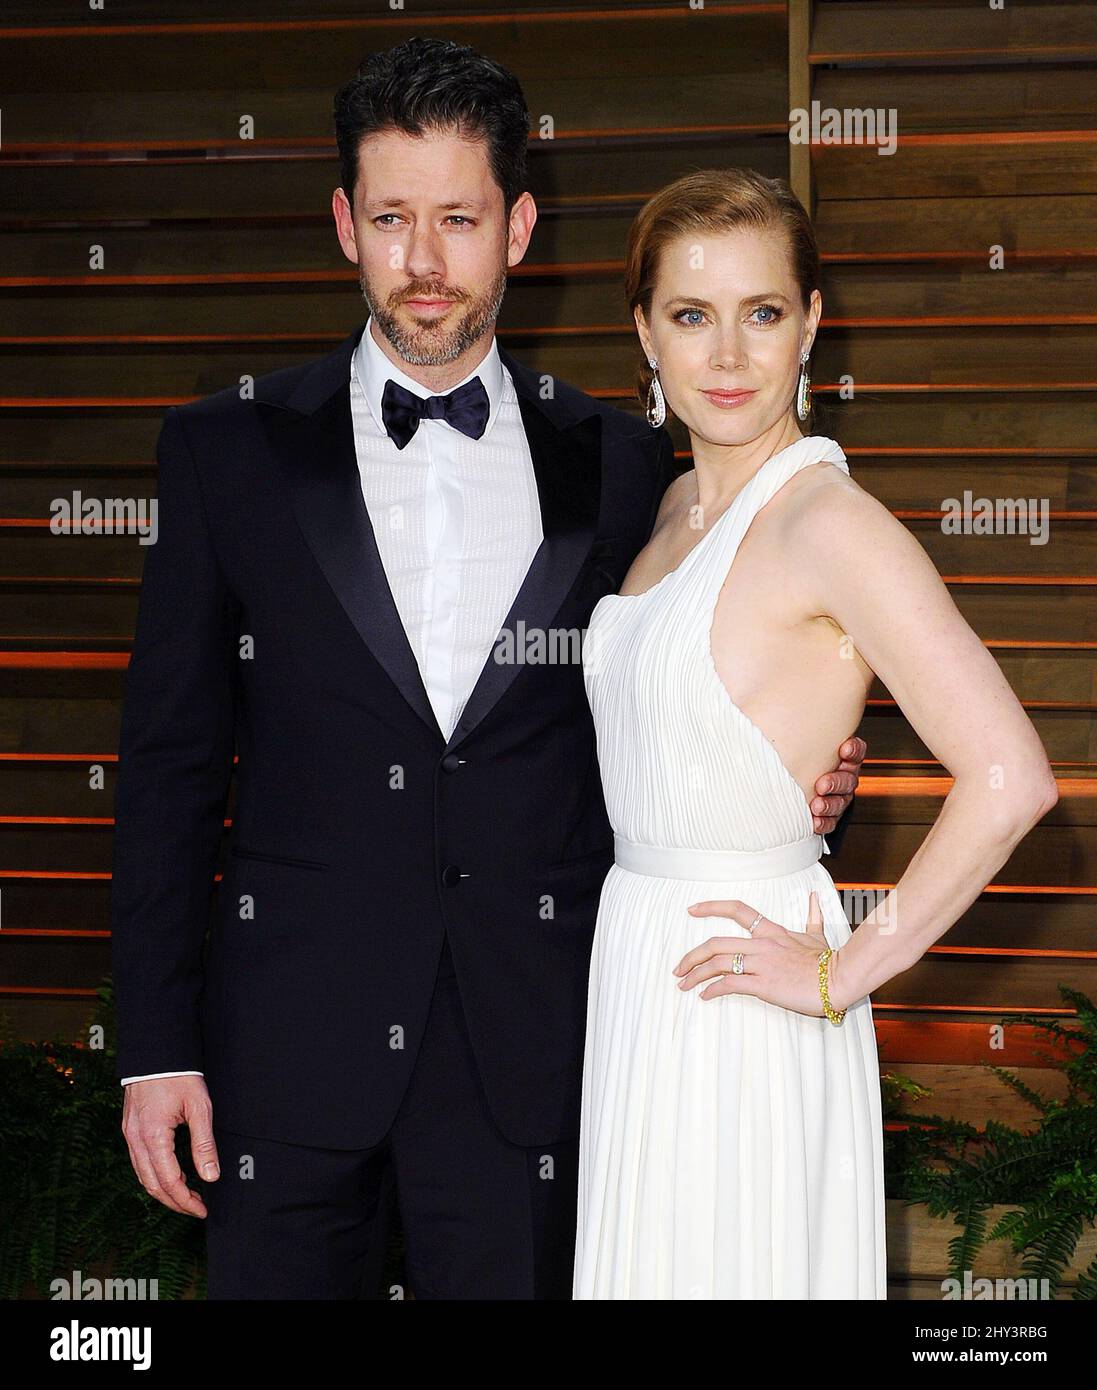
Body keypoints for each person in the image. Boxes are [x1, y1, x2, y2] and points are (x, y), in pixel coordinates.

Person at [111, 40, 862, 1300]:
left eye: (456, 218)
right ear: (344, 221)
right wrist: (152, 1047)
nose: (422, 262)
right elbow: (168, 766)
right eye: (392, 218)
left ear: (516, 226)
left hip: (542, 1050)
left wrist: (788, 776)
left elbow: (700, 678)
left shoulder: (631, 469)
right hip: (284, 1055)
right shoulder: (222, 454)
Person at [571, 167, 1059, 1299]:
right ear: (643, 331)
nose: (728, 357)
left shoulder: (828, 521)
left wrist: (847, 969)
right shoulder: (671, 509)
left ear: (811, 327)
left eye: (763, 313)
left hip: (750, 992)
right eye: (691, 316)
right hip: (641, 977)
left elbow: (1008, 776)